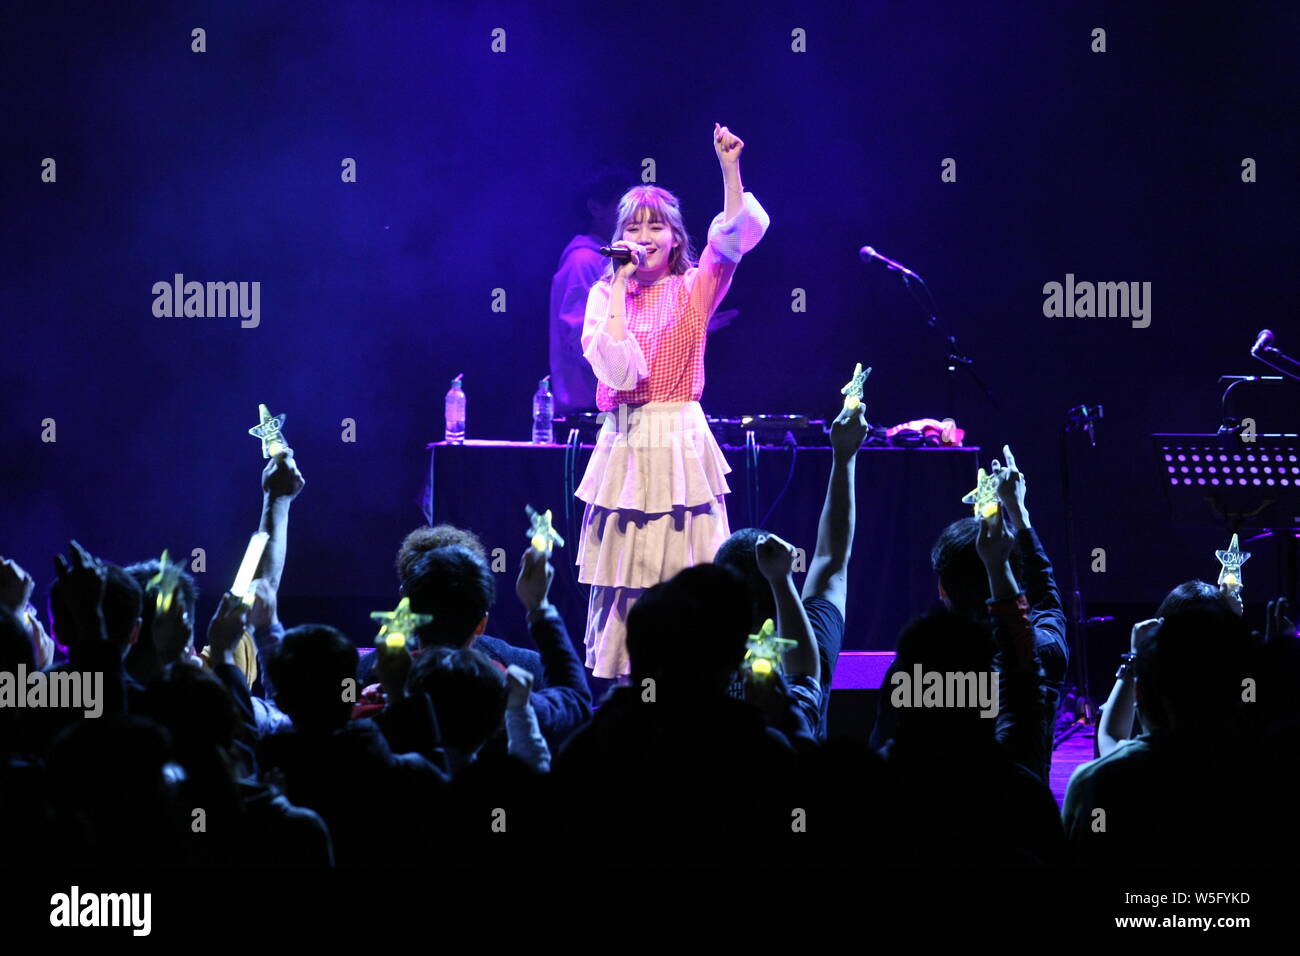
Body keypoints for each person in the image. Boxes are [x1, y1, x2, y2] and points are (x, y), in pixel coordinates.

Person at [575, 123, 770, 678]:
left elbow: (733, 235)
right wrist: (617, 282)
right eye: (633, 227)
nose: (644, 235)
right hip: (626, 439)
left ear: (676, 236)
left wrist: (730, 169)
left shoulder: (695, 286)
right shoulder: (603, 295)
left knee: (688, 563)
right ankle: (633, 688)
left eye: (655, 225)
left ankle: (698, 677)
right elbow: (617, 366)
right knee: (628, 572)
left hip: (680, 439)